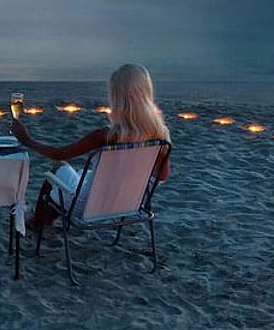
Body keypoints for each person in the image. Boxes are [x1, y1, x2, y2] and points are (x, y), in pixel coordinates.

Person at [9, 63, 171, 230]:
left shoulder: (106, 135)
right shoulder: (161, 135)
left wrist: (26, 140)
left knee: (59, 167)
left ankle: (39, 222)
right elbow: (163, 176)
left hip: (89, 207)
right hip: (130, 204)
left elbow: (59, 154)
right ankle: (45, 218)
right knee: (83, 176)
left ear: (117, 97)